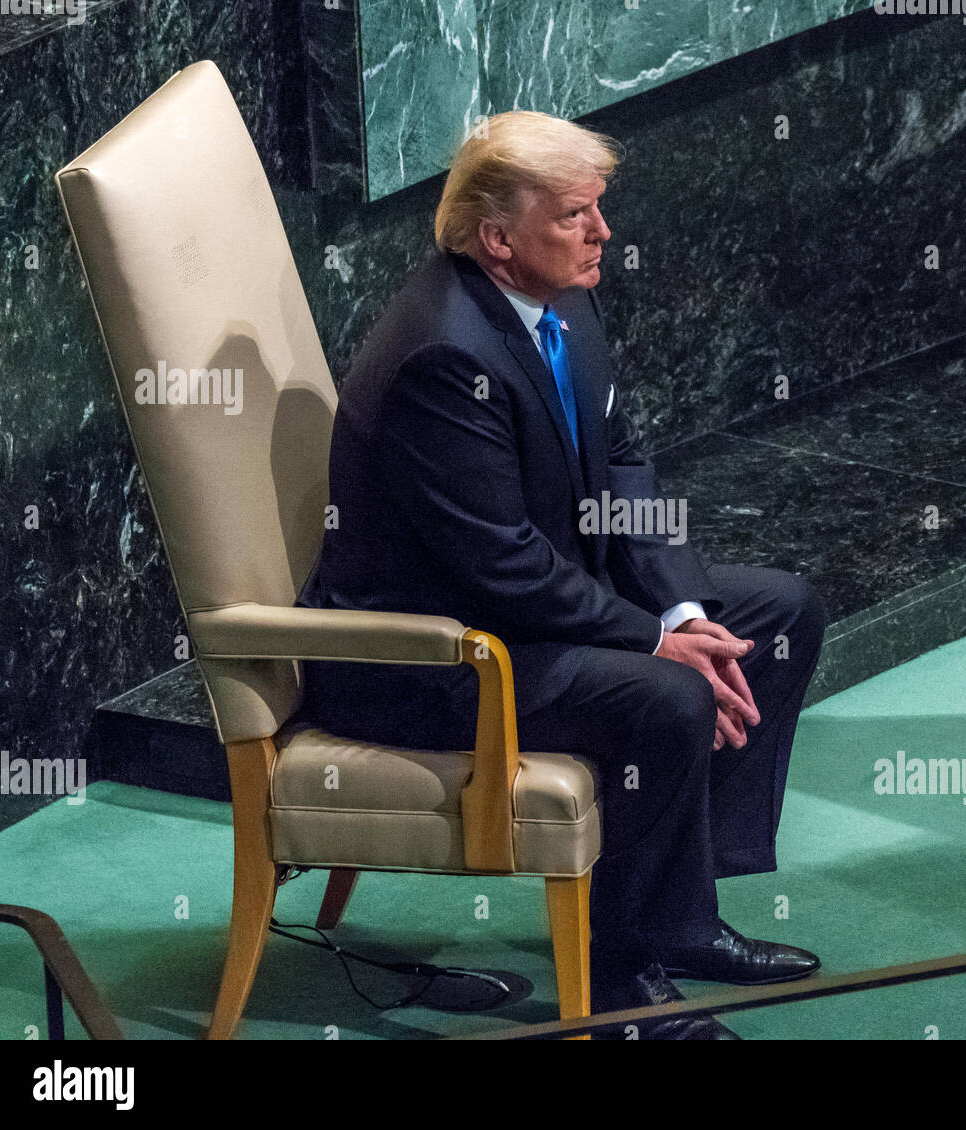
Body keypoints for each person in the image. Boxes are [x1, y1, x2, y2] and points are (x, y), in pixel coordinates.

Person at [296, 110, 826, 1039]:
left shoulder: (562, 299)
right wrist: (659, 641)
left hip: (525, 613)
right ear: (499, 238)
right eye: (577, 215)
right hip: (432, 661)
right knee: (664, 695)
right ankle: (618, 993)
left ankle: (683, 914)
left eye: (598, 210)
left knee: (775, 614)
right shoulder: (443, 353)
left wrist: (687, 608)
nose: (604, 234)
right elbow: (503, 567)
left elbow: (622, 461)